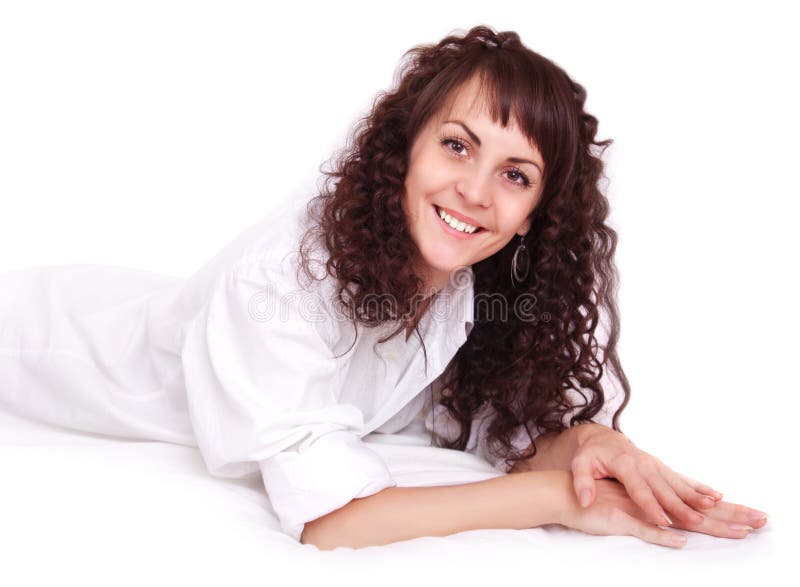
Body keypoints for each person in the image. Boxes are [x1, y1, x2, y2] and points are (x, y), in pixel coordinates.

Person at [0, 25, 767, 550]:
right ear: (407, 146)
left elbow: (499, 437)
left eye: (514, 175)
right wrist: (563, 502)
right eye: (457, 144)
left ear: (536, 215)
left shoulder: (466, 294)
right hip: (39, 340)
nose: (474, 190)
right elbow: (331, 521)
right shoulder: (284, 280)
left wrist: (593, 446)